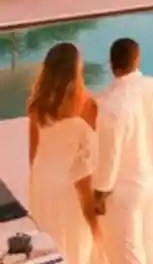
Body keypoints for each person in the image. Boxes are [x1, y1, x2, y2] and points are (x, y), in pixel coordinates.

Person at [92, 38, 153, 264]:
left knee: (127, 252)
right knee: (149, 242)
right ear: (137, 59)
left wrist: (100, 193)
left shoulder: (108, 104)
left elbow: (109, 157)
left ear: (111, 64)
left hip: (124, 190)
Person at [27, 42, 104, 264]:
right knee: (75, 250)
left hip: (42, 183)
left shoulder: (37, 105)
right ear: (76, 70)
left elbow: (33, 155)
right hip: (68, 190)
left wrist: (36, 187)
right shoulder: (88, 105)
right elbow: (84, 169)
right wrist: (93, 217)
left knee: (47, 251)